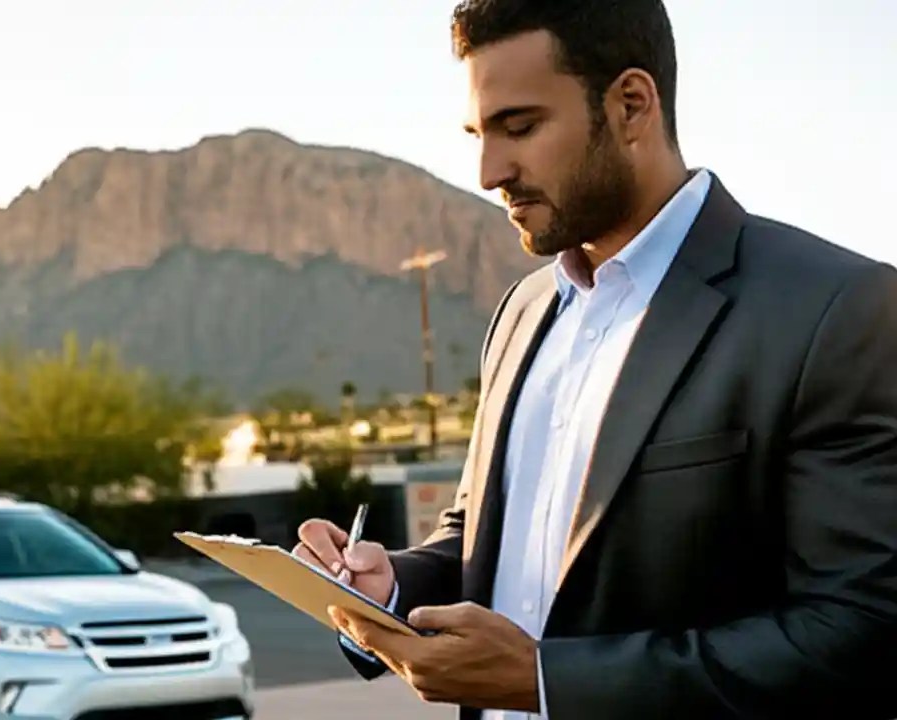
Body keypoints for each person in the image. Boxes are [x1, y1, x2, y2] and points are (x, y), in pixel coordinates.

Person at [293, 1, 897, 718]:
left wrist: (548, 682)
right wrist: (387, 588)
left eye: (520, 127)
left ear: (632, 105)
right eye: (478, 134)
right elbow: (488, 540)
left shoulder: (837, 309)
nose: (490, 172)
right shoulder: (519, 314)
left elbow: (863, 635)